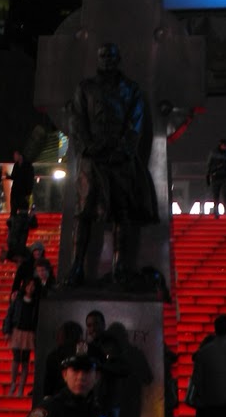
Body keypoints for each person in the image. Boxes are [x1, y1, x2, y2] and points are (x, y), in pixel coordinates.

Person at [65, 42, 158, 288]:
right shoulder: (85, 88)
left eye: (111, 56)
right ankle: (77, 267)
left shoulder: (131, 89)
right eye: (103, 55)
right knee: (83, 214)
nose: (107, 59)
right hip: (92, 160)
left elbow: (135, 123)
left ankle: (120, 268)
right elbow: (76, 120)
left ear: (118, 60)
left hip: (120, 161)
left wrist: (123, 150)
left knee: (122, 214)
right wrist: (86, 147)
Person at [6, 274, 42, 398]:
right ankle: (13, 384)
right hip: (17, 330)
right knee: (16, 358)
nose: (31, 288)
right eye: (29, 285)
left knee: (25, 360)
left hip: (28, 332)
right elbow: (10, 314)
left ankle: (21, 387)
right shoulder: (18, 299)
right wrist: (7, 330)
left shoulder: (36, 302)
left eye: (33, 286)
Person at [41, 321, 85, 400]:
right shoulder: (83, 354)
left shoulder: (54, 355)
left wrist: (47, 397)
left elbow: (49, 381)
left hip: (58, 396)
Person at [206, 139, 226, 217]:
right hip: (216, 176)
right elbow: (209, 165)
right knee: (216, 194)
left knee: (225, 194)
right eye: (224, 145)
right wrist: (208, 175)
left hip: (224, 176)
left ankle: (225, 210)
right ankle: (216, 210)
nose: (225, 147)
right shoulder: (214, 153)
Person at [9, 148, 34, 214]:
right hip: (15, 191)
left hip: (23, 191)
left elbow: (30, 179)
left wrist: (28, 192)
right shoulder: (16, 165)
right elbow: (14, 176)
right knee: (13, 209)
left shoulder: (28, 166)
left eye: (15, 155)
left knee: (23, 210)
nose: (14, 157)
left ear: (20, 156)